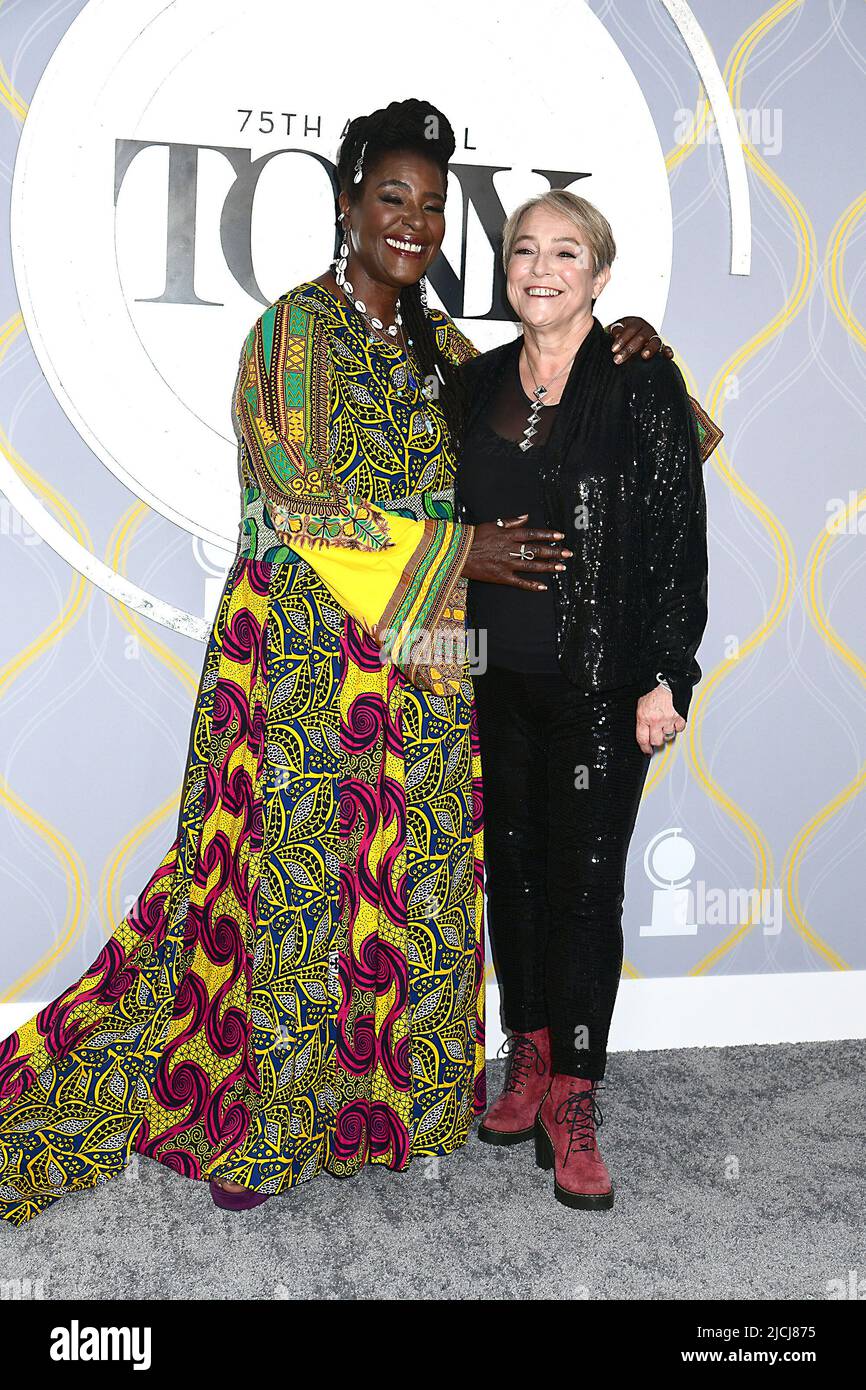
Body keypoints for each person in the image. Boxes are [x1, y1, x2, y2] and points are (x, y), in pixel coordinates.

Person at [0, 102, 673, 1224]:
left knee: (409, 874)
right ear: (347, 205)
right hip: (304, 648)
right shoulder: (288, 336)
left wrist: (626, 346)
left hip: (429, 653)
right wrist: (465, 547)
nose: (413, 221)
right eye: (392, 197)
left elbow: (596, 422)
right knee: (290, 880)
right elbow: (298, 494)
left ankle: (390, 1104)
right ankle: (257, 1117)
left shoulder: (451, 351)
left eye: (432, 204)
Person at [457, 189, 721, 1210]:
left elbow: (673, 534)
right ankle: (524, 1057)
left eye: (566, 252)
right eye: (524, 249)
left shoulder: (638, 378)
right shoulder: (472, 379)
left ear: (598, 275)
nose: (540, 266)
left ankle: (573, 1093)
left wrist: (670, 673)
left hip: (604, 682)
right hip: (489, 675)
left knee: (584, 889)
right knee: (512, 873)